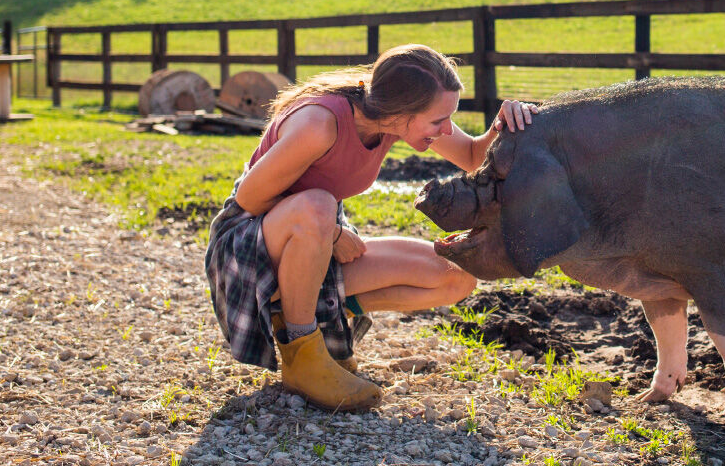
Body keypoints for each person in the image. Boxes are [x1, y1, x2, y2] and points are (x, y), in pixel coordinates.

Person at [204, 44, 536, 410]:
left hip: (315, 241)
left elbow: (473, 157)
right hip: (251, 246)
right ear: (401, 110)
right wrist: (330, 233)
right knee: (319, 206)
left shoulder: (392, 119)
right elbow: (249, 200)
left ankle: (313, 311)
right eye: (437, 121)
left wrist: (502, 125)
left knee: (455, 276)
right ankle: (302, 354)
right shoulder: (319, 124)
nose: (444, 130)